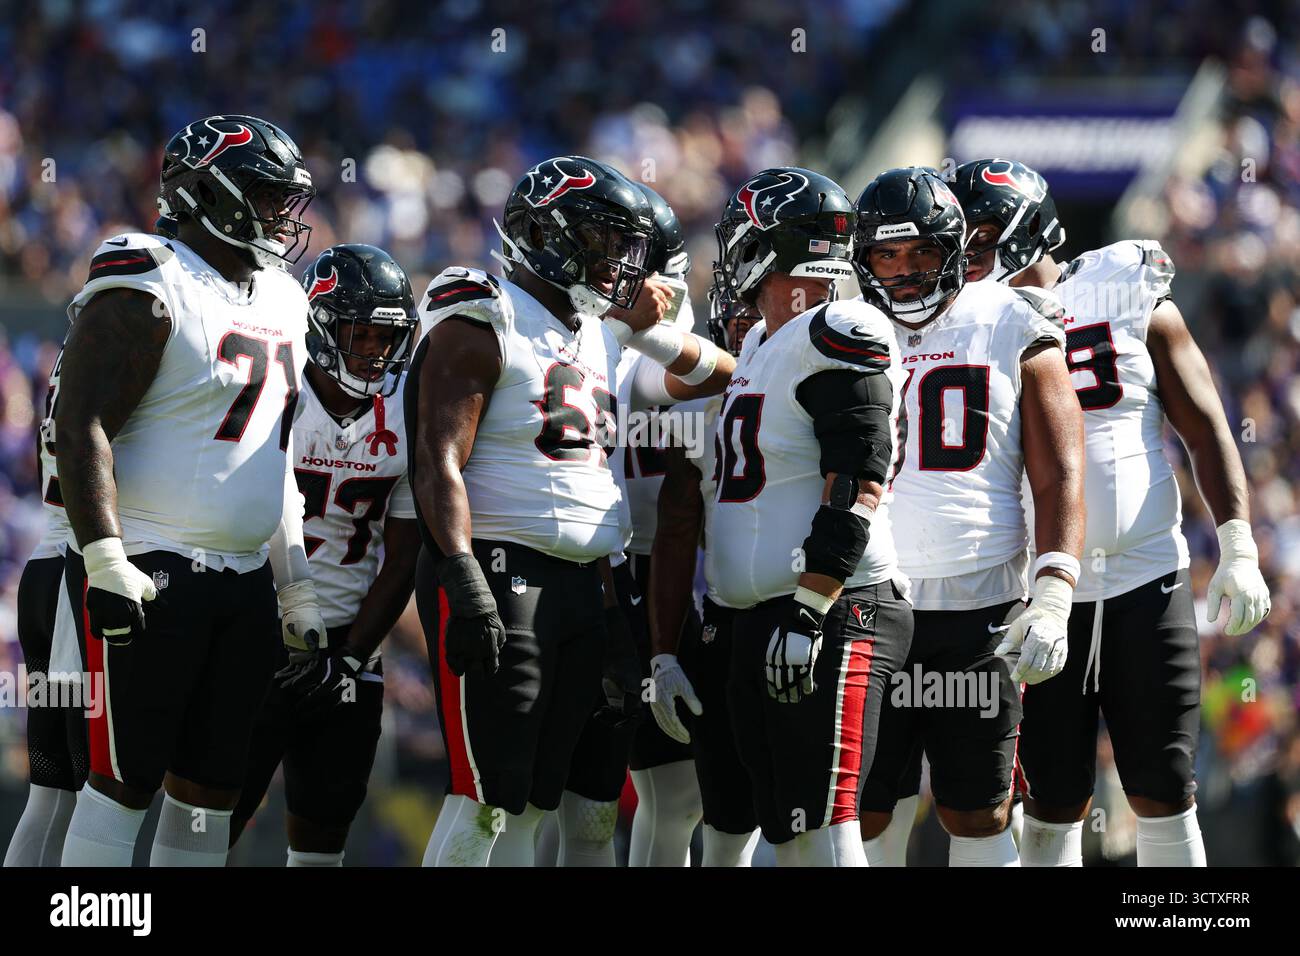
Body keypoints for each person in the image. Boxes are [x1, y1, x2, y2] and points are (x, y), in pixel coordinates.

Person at [954, 157, 1272, 866]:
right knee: (1051, 798)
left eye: (975, 236)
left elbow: (1205, 424)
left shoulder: (1122, 287)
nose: (960, 254)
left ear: (1022, 229)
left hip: (1146, 580)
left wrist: (1239, 544)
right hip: (1036, 593)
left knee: (1163, 786)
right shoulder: (963, 323)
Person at [409, 155, 702, 867]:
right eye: (604, 243)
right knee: (485, 796)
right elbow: (437, 459)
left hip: (581, 583)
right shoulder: (485, 309)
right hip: (501, 571)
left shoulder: (596, 332)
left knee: (537, 800)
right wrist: (461, 573)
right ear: (546, 234)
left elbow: (720, 375)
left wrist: (605, 609)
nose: (618, 265)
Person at [54, 114, 325, 867]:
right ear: (208, 193)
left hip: (242, 585)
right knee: (120, 788)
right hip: (151, 568)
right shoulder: (150, 273)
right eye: (268, 197)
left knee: (210, 796)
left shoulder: (282, 296)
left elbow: (274, 456)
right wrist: (106, 559)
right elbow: (80, 427)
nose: (282, 217)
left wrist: (293, 580)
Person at [854, 166, 1085, 868]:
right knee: (860, 813)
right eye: (886, 256)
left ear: (955, 248)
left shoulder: (1011, 315)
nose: (905, 271)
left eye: (922, 252)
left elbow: (1059, 469)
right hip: (873, 597)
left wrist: (1054, 591)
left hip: (979, 603)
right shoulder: (848, 326)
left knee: (976, 813)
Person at [706, 167, 913, 867]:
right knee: (790, 833)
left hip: (830, 608)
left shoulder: (836, 326)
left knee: (830, 828)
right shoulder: (768, 342)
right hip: (767, 614)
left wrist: (808, 606)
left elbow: (857, 481)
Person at [556, 178, 735, 867]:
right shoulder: (611, 352)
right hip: (628, 577)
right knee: (646, 796)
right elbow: (703, 378)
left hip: (674, 578)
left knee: (681, 797)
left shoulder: (621, 347)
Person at [230, 244, 421, 866]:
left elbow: (402, 560)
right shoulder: (274, 391)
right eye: (358, 333)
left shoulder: (409, 411)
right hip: (257, 632)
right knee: (211, 817)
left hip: (348, 645)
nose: (372, 350)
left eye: (384, 338)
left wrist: (352, 657)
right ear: (320, 325)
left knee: (322, 835)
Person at [647, 274, 763, 866]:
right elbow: (674, 532)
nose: (749, 324)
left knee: (819, 814)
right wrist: (664, 651)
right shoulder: (697, 405)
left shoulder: (835, 377)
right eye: (739, 316)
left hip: (822, 612)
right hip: (727, 619)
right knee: (725, 818)